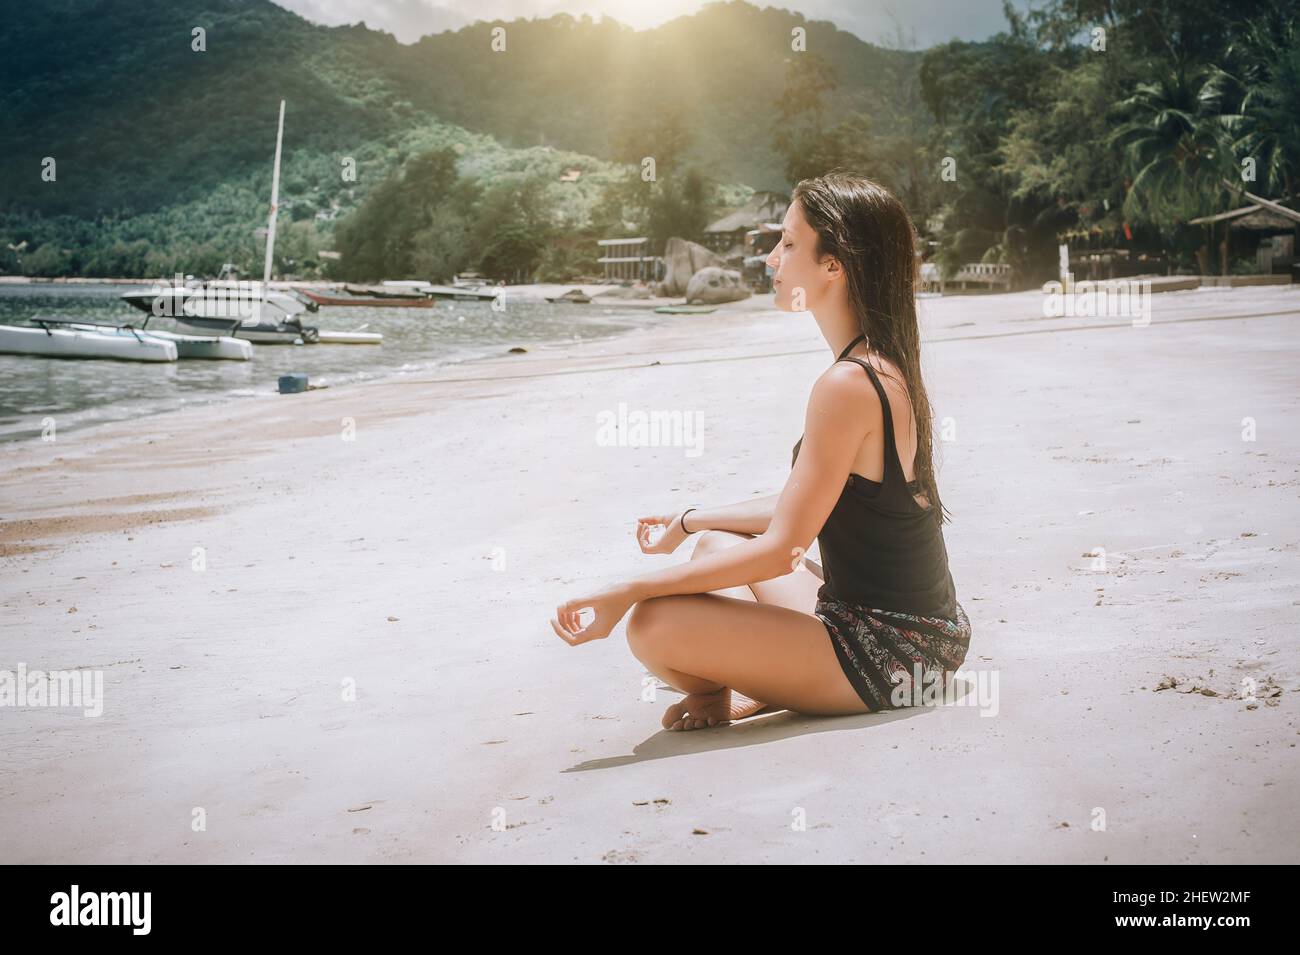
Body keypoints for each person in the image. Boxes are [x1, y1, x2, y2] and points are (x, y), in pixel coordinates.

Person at [550, 171, 972, 731]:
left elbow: (780, 552)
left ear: (834, 264)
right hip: (912, 634)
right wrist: (688, 518)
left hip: (896, 657)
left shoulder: (848, 385)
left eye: (789, 243)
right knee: (713, 546)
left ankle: (753, 685)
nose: (772, 258)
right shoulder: (877, 364)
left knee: (652, 624)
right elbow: (809, 503)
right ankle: (760, 684)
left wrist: (627, 588)